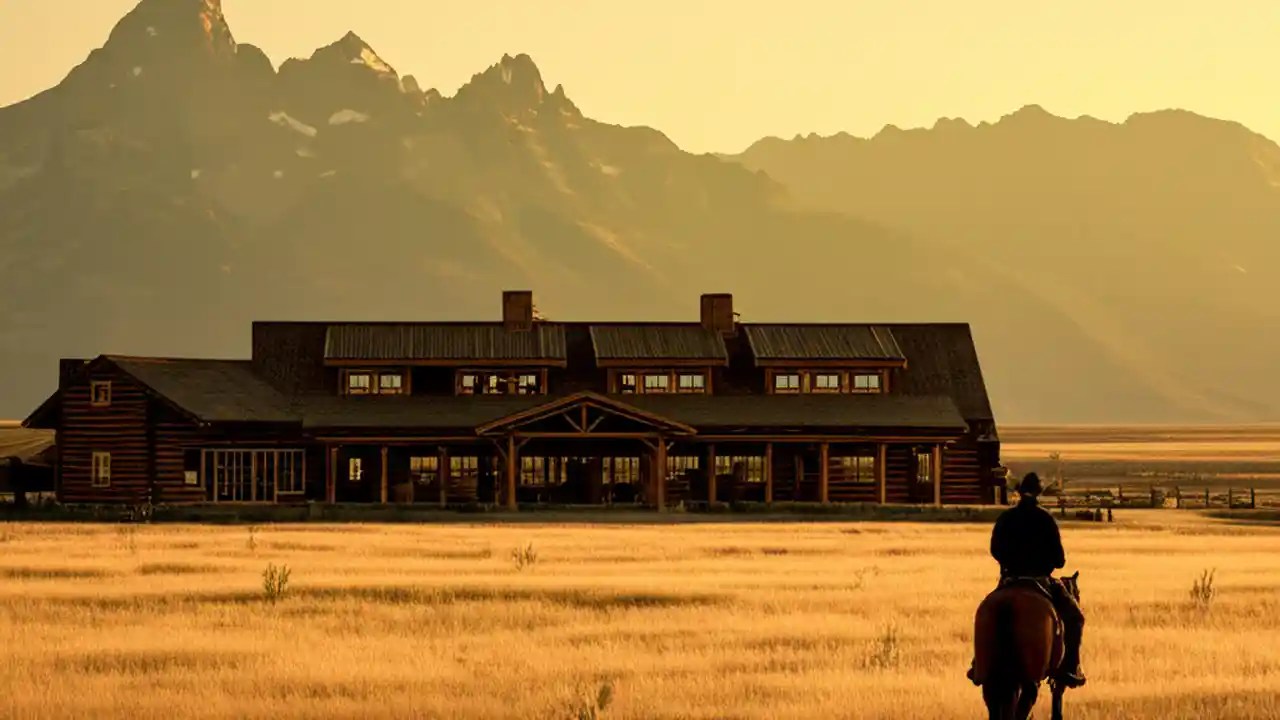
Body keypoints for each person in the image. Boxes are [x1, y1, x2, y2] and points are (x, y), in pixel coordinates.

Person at [968, 472, 1086, 687]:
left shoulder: (1006, 518)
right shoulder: (1045, 519)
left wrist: (1010, 562)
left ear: (1019, 492)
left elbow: (995, 550)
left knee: (987, 611)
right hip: (1039, 580)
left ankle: (978, 663)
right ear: (1039, 493)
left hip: (1009, 578)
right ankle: (1070, 666)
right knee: (1075, 618)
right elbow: (1059, 560)